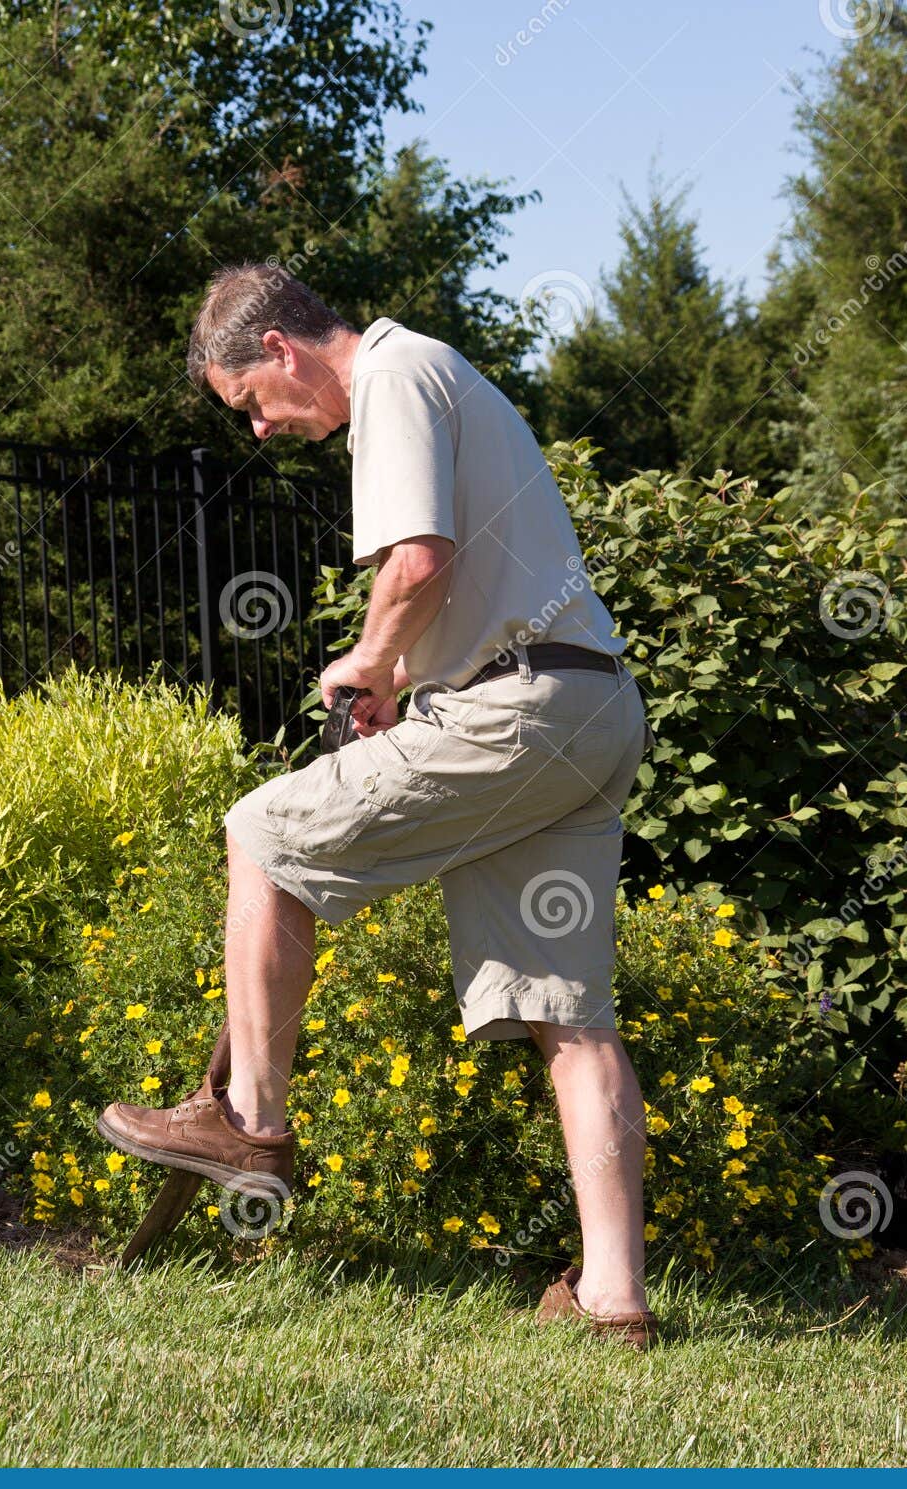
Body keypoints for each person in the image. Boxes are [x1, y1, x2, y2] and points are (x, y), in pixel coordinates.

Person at [96, 263, 659, 1349]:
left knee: (261, 831)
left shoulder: (396, 373)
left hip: (516, 706)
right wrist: (417, 683)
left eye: (250, 404)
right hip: (585, 708)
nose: (258, 429)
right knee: (569, 1012)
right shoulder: (446, 375)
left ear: (282, 352)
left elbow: (417, 557)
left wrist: (372, 662)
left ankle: (248, 1124)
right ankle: (612, 1297)